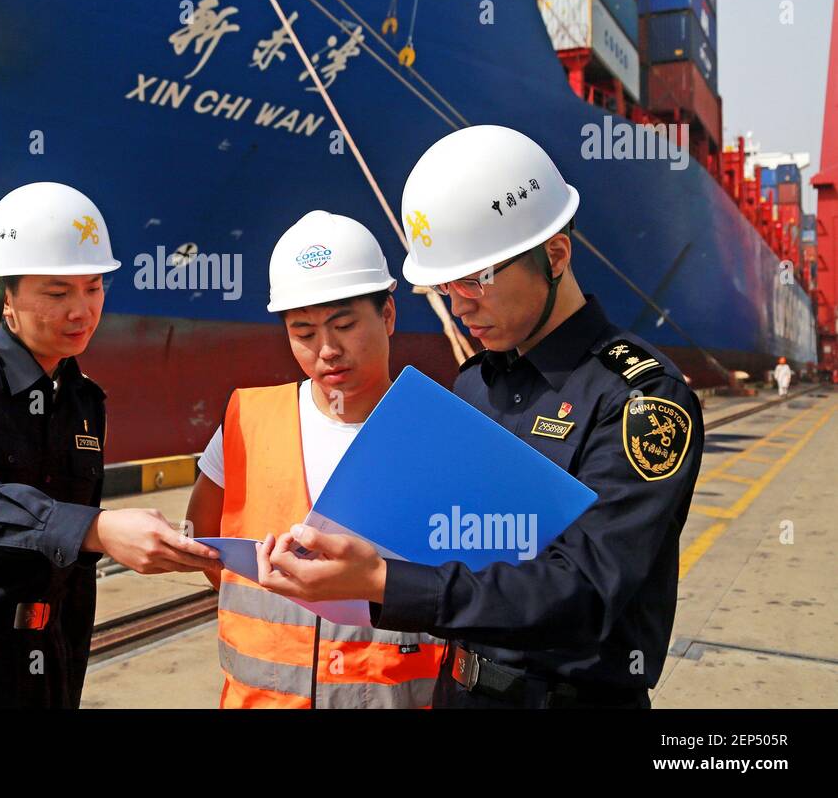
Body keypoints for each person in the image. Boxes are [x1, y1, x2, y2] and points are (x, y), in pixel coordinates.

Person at [252, 125, 705, 709]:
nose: (459, 305)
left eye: (475, 282)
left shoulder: (641, 402)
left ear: (556, 256)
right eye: (445, 286)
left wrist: (383, 582)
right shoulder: (475, 383)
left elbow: (586, 591)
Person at [0, 182, 220, 708]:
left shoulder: (83, 399)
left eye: (93, 287)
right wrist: (95, 528)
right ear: (3, 295)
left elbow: (70, 575)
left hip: (45, 651)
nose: (82, 311)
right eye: (57, 293)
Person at [185, 210, 444, 708]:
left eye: (344, 325)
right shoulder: (247, 421)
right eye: (303, 332)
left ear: (388, 314)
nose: (326, 350)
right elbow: (205, 539)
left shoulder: (442, 434)